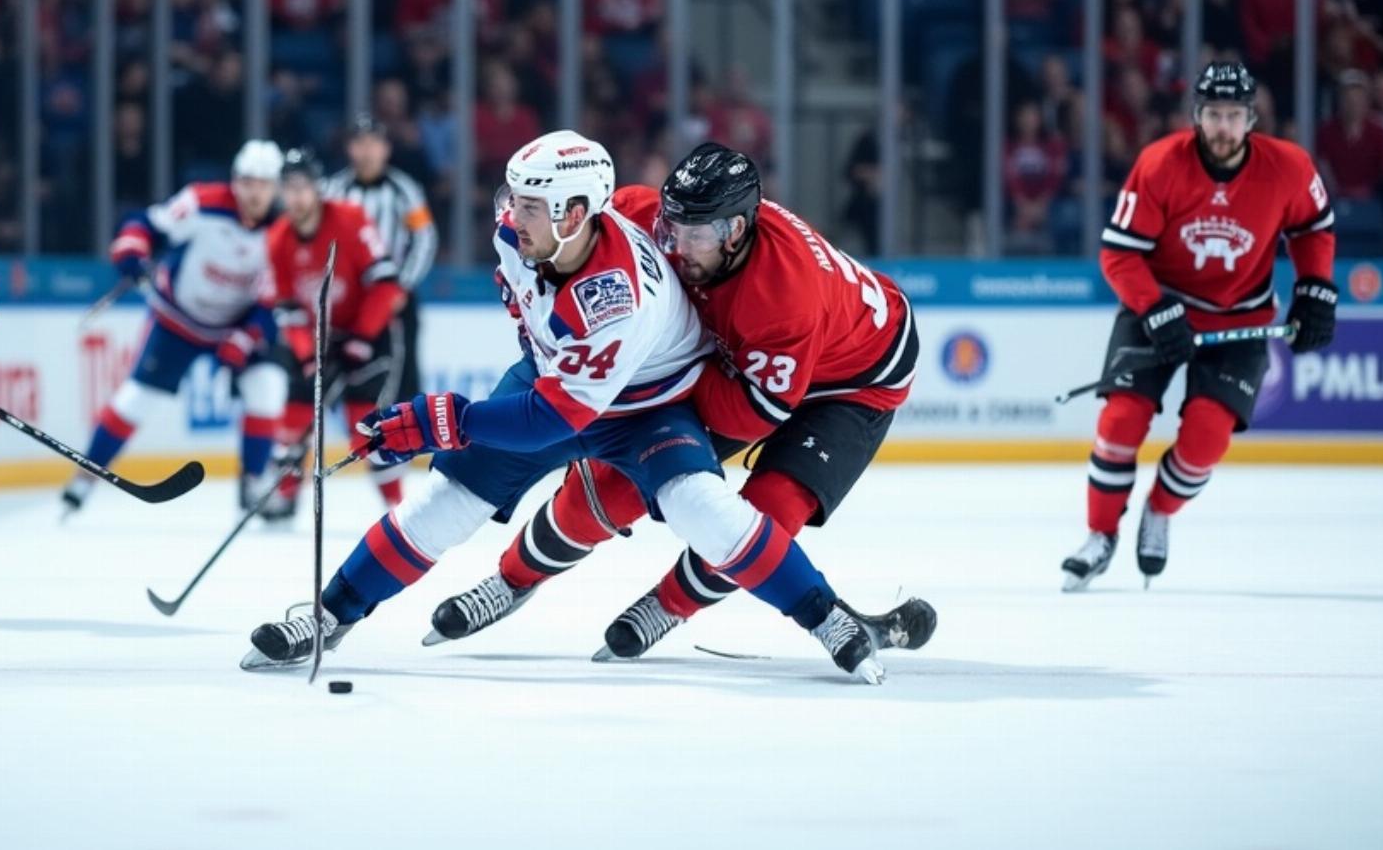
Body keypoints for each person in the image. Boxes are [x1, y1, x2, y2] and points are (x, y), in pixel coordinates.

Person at [244, 132, 909, 684]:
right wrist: (463, 429)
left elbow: (557, 419)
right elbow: (542, 359)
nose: (510, 214)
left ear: (573, 212)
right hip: (566, 382)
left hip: (664, 403)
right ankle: (329, 615)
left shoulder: (619, 299)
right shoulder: (529, 232)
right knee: (444, 502)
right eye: (513, 197)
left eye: (530, 204)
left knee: (707, 507)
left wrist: (451, 420)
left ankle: (826, 616)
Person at [428, 143, 933, 662]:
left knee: (770, 510)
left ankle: (669, 605)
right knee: (616, 482)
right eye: (672, 228)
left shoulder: (785, 300)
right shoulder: (640, 215)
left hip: (852, 381)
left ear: (734, 231)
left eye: (696, 235)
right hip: (744, 361)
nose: (678, 245)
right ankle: (511, 580)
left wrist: (665, 379)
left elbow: (746, 413)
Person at [1063, 63, 1338, 591]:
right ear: (1197, 116)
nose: (1223, 127)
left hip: (1243, 320)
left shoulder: (1289, 167)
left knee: (1207, 438)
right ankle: (1099, 536)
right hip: (1158, 311)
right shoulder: (1160, 163)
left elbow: (1312, 229)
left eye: (1234, 116)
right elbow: (1119, 255)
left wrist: (1315, 289)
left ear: (1252, 119)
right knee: (1120, 422)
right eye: (1214, 114)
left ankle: (1160, 510)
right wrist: (1155, 307)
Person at [59, 141, 288, 517]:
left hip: (235, 327)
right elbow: (147, 224)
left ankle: (253, 483)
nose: (255, 192)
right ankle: (83, 480)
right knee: (135, 400)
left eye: (263, 183)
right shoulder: (203, 202)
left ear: (276, 187)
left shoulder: (284, 231)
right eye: (247, 181)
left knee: (267, 388)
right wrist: (132, 248)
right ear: (234, 180)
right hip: (177, 321)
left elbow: (273, 301)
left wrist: (247, 337)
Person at [257, 148, 406, 517]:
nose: (295, 196)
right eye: (287, 188)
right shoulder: (277, 239)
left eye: (302, 186)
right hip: (318, 340)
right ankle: (285, 500)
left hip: (368, 335)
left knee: (364, 427)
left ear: (317, 187)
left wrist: (362, 336)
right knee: (293, 420)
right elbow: (289, 310)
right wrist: (308, 356)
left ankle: (398, 509)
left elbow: (386, 285)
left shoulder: (351, 219)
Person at [322, 115, 440, 505]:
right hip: (349, 308)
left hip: (396, 303)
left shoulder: (404, 190)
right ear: (350, 148)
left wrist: (402, 285)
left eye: (374, 143)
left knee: (404, 378)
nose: (367, 151)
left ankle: (401, 455)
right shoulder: (333, 190)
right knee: (346, 380)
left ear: (385, 148)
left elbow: (424, 239)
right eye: (360, 143)